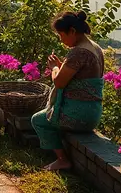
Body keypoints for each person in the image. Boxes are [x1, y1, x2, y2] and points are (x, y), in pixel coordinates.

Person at [31, 11, 105, 171]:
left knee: (38, 120)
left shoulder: (79, 52)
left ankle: (62, 159)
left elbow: (59, 82)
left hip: (78, 115)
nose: (61, 40)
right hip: (93, 113)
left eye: (61, 35)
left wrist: (54, 67)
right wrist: (61, 66)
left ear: (72, 31)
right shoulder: (95, 48)